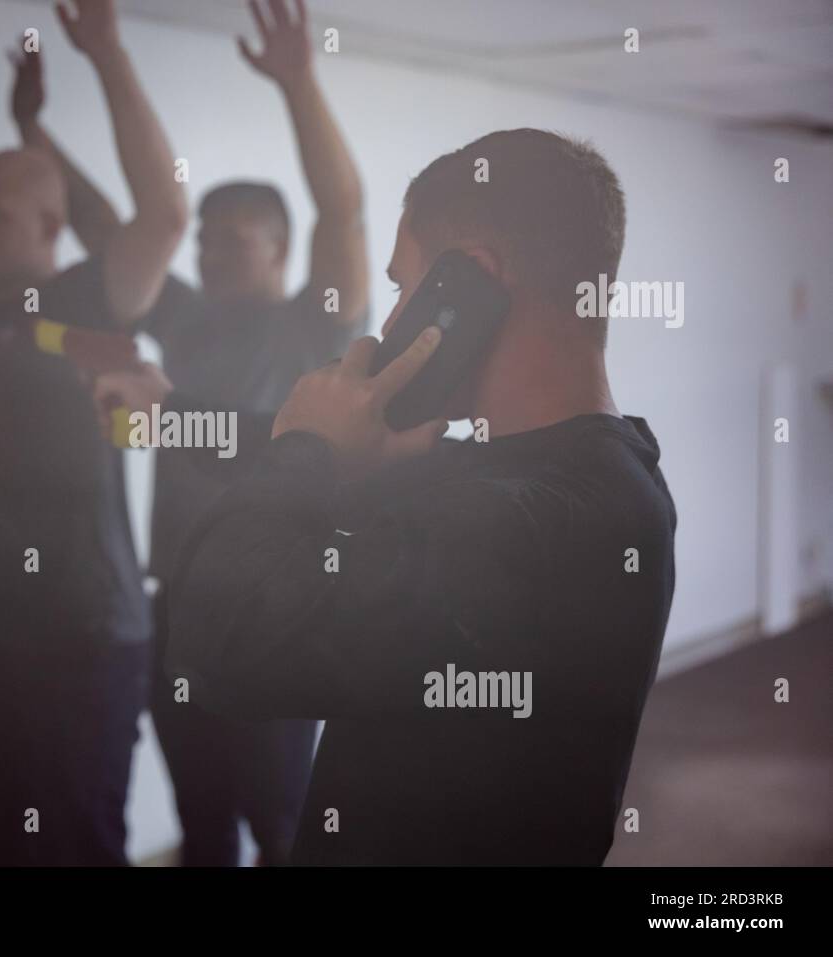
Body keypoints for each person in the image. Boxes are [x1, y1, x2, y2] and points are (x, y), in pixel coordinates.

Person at [162, 129, 678, 865]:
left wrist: (303, 450)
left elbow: (222, 640)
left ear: (467, 289)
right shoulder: (574, 475)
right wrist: (172, 414)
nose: (393, 319)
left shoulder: (550, 520)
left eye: (404, 287)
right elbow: (374, 451)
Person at [80, 0, 368, 865]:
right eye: (203, 241)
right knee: (202, 826)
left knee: (281, 828)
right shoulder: (192, 322)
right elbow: (111, 224)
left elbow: (343, 209)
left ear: (280, 250)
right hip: (181, 614)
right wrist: (103, 60)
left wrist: (298, 82)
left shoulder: (317, 324)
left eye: (232, 242)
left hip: (279, 611)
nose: (207, 255)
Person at [0, 0, 188, 866]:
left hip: (84, 645)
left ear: (48, 227)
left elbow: (163, 212)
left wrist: (107, 56)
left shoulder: (84, 303)